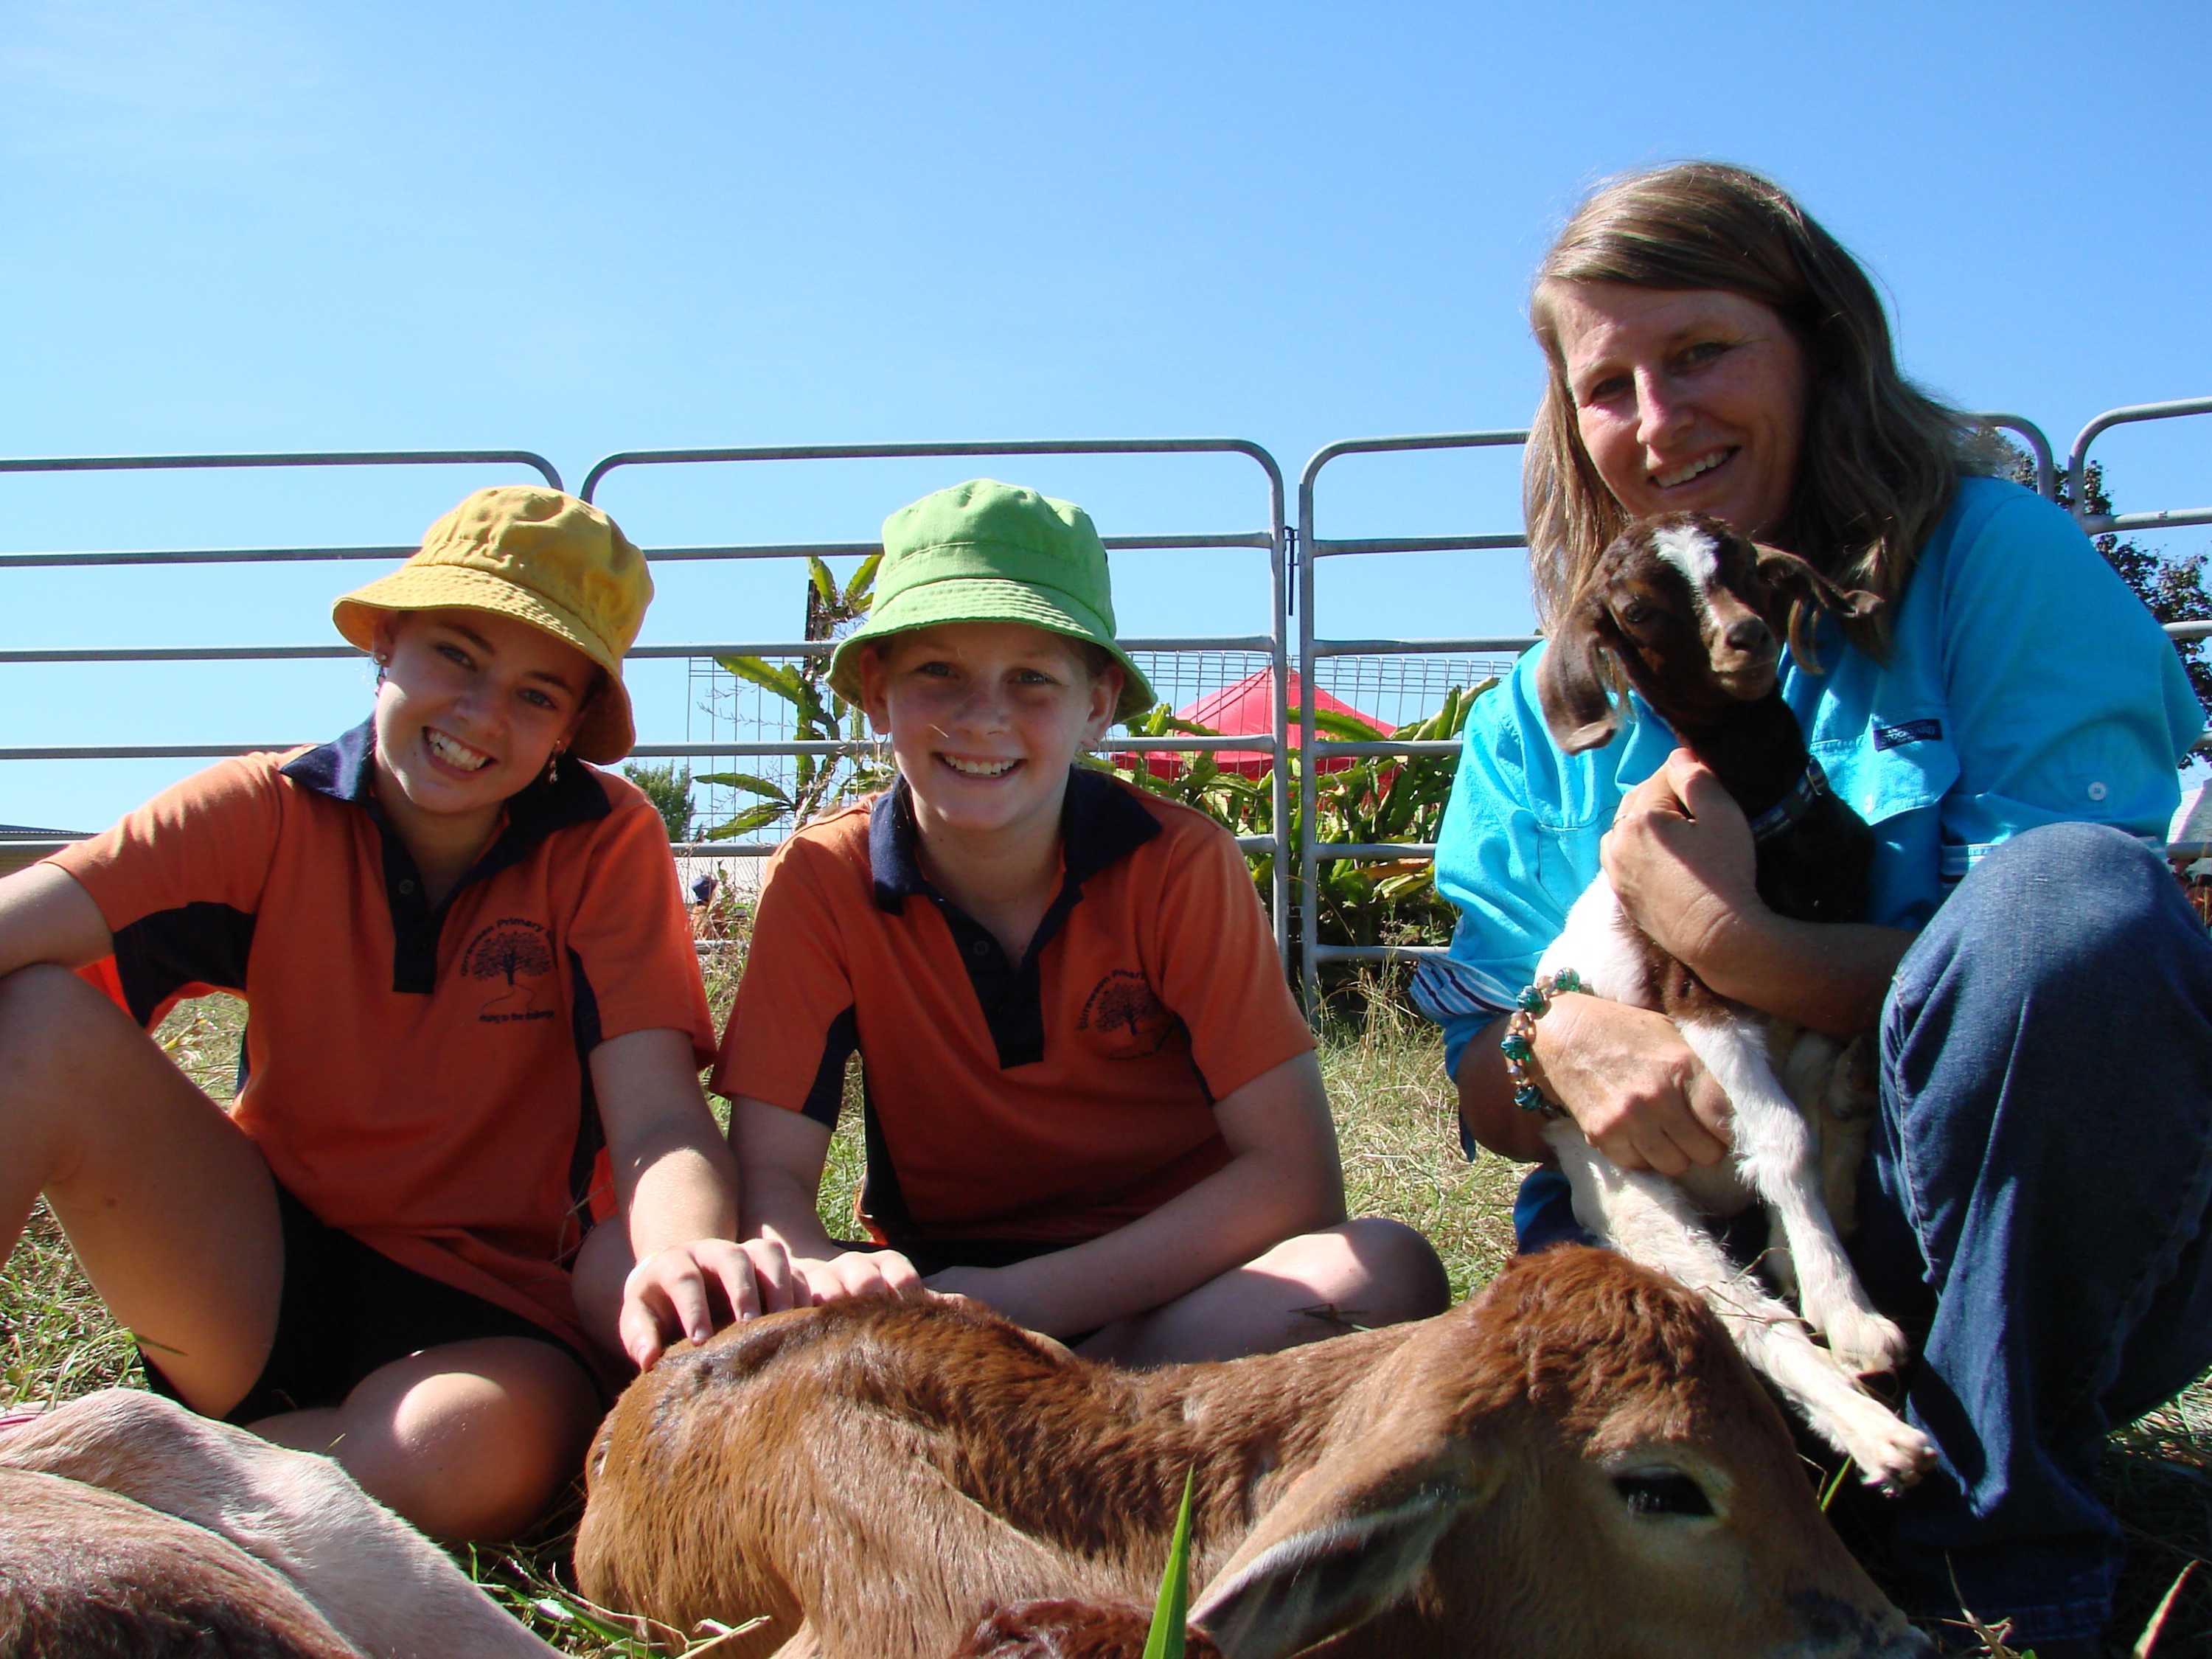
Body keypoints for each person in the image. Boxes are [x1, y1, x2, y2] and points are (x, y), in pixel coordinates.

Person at [1416, 162, 2212, 1655]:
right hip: (1687, 1249)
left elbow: (2070, 958)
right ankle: (1750, 1477)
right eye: (1610, 386)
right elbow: (1480, 1051)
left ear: (1819, 348)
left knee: (2074, 906)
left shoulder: (1994, 564)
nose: (1660, 424)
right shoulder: (1548, 705)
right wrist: (1552, 1049)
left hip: (1965, 1231)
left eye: (1703, 354)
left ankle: (2004, 1553)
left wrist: (1728, 946)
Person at [0, 486, 838, 1540]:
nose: (483, 715)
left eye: (538, 695)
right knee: (33, 1014)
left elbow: (661, 1118)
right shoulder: (263, 809)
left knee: (458, 1459)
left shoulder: (601, 840)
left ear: (574, 727)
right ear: (385, 641)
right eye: (455, 654)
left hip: (493, 1312)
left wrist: (675, 1251)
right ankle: (176, 1473)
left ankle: (96, 1478)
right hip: (254, 1266)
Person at [717, 478, 1450, 1364]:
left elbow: (1297, 1184)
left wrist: (1003, 1310)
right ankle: (1111, 1414)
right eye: (936, 671)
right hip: (938, 1285)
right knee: (748, 1317)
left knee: (1380, 1271)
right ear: (876, 692)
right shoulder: (824, 877)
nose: (983, 715)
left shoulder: (1179, 863)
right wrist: (826, 1274)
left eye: (1032, 678)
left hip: (1169, 1286)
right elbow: (772, 1187)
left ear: (1098, 703)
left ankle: (1047, 1400)